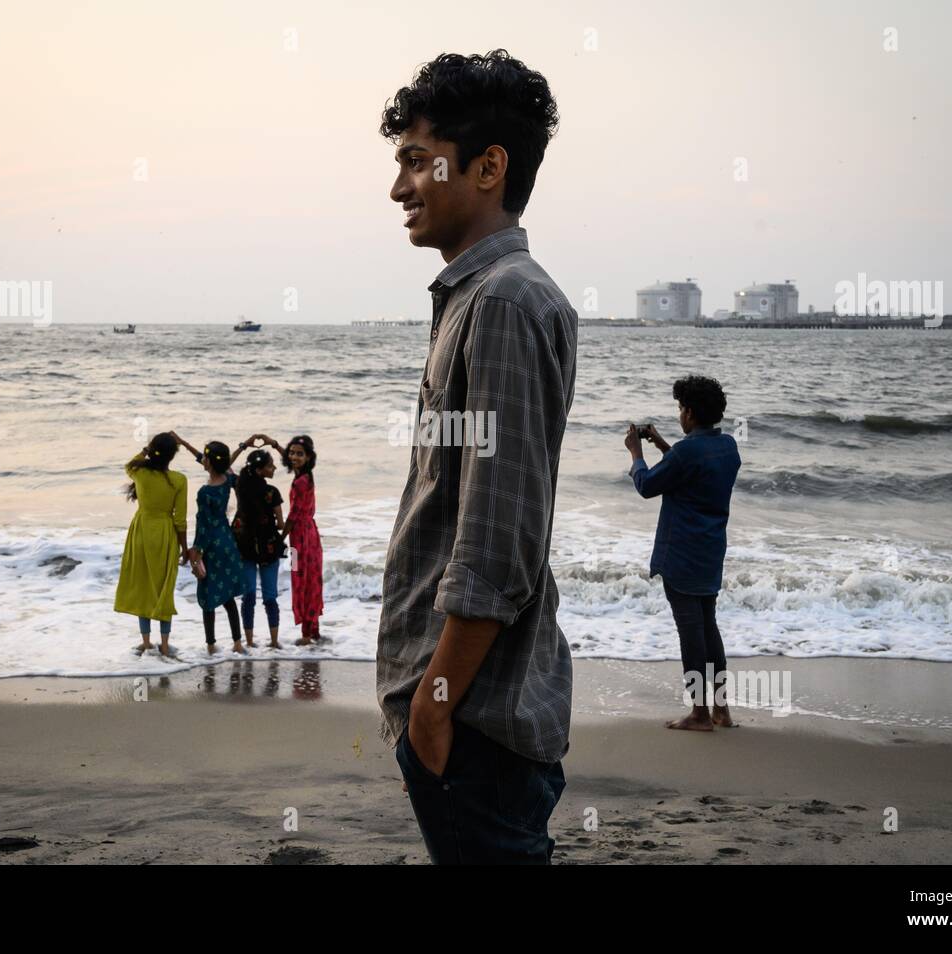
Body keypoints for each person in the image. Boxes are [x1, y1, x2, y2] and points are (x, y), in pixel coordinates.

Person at [376, 50, 576, 864]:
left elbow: (497, 541)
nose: (398, 189)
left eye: (418, 162)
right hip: (467, 710)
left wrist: (435, 701)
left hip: (472, 719)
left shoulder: (501, 304)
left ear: (489, 166)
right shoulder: (481, 299)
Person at [625, 375, 741, 731]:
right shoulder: (728, 447)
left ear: (689, 413)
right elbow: (690, 468)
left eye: (680, 408)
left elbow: (647, 485)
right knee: (709, 630)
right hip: (710, 552)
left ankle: (699, 713)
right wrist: (662, 443)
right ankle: (721, 710)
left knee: (690, 635)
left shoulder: (688, 452)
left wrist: (636, 453)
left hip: (681, 554)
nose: (679, 415)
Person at [175, 432, 254, 654]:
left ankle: (211, 645)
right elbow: (226, 466)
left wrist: (195, 551)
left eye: (205, 458)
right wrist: (183, 443)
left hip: (212, 545)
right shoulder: (229, 481)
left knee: (208, 596)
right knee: (227, 595)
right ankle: (238, 643)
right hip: (227, 542)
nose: (203, 460)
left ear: (209, 462)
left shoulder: (205, 492)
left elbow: (203, 526)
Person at [114, 432, 189, 656]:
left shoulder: (140, 472)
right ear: (172, 456)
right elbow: (180, 519)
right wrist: (185, 549)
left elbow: (129, 464)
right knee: (164, 588)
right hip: (165, 534)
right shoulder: (179, 480)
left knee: (143, 587)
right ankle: (164, 646)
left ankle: (146, 643)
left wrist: (147, 450)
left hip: (141, 532)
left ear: (152, 451)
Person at [232, 445, 286, 649]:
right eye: (270, 466)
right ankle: (273, 642)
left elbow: (224, 466)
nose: (274, 469)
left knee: (249, 596)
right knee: (270, 596)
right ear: (259, 470)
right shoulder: (272, 493)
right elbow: (280, 524)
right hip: (268, 548)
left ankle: (249, 642)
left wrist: (244, 445)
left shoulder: (240, 486)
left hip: (244, 546)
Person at [279, 434, 324, 646]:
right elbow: (291, 461)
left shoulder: (299, 482)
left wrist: (281, 538)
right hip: (311, 535)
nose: (294, 457)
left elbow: (293, 515)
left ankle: (306, 635)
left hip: (300, 539)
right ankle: (314, 630)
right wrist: (273, 443)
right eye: (292, 453)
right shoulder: (306, 475)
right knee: (312, 580)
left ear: (308, 457)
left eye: (300, 454)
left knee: (302, 581)